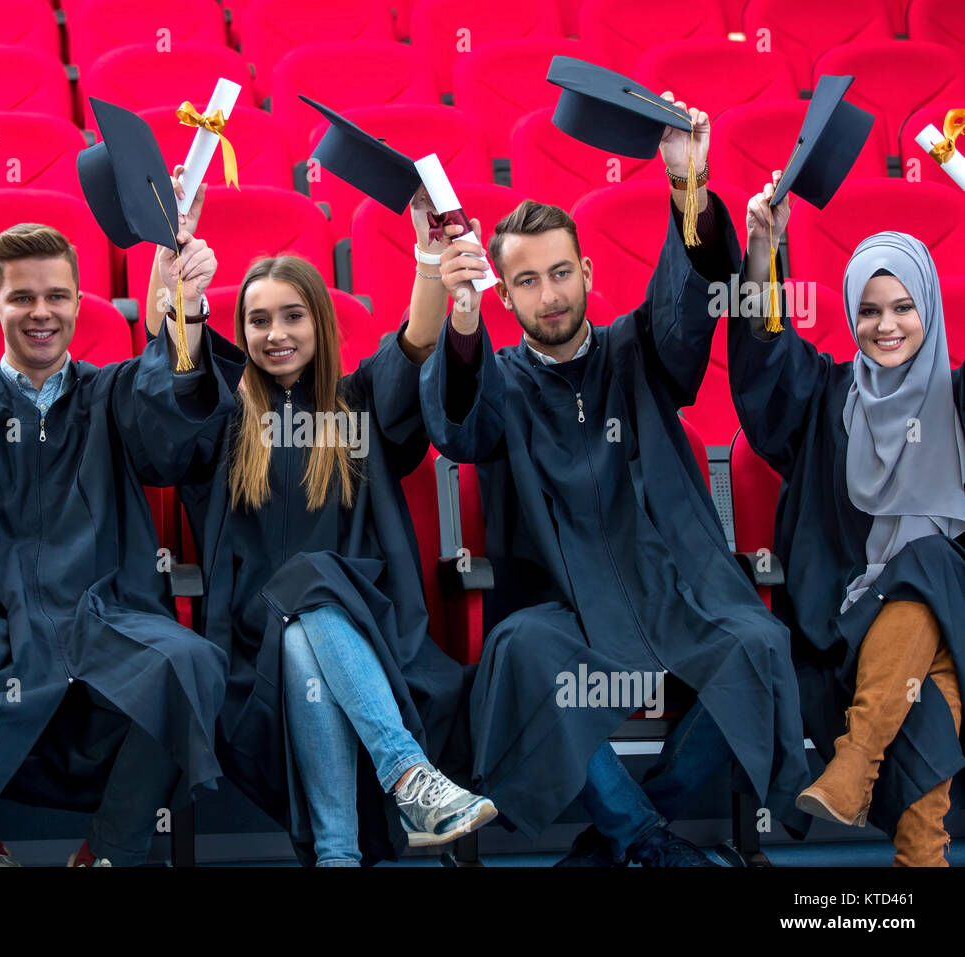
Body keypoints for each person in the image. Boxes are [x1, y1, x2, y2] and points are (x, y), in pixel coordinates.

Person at [418, 93, 811, 866]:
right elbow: (459, 430)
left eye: (562, 272)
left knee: (760, 645)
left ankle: (628, 837)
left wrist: (686, 187)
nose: (552, 294)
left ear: (587, 269)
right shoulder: (498, 381)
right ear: (506, 291)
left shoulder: (639, 353)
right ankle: (650, 842)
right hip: (566, 609)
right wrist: (460, 316)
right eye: (527, 281)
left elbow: (685, 309)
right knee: (519, 651)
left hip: (675, 590)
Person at [0, 219, 243, 867]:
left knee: (189, 662)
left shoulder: (110, 394)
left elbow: (173, 426)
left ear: (80, 304)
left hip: (100, 614)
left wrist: (185, 307)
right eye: (22, 297)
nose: (41, 312)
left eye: (56, 296)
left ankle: (109, 851)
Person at [140, 169, 495, 865]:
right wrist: (169, 264)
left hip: (368, 636)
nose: (275, 333)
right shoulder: (221, 414)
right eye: (259, 319)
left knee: (311, 615)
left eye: (292, 315)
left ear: (320, 322)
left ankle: (338, 853)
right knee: (302, 601)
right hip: (248, 652)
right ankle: (408, 775)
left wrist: (428, 258)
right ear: (238, 329)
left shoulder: (355, 406)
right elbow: (167, 370)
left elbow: (417, 345)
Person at [728, 214, 965, 865]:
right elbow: (765, 356)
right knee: (926, 660)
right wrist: (764, 255)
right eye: (869, 310)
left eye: (903, 307)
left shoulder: (959, 399)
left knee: (930, 563)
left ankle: (856, 762)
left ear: (930, 308)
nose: (886, 326)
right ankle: (923, 855)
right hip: (850, 620)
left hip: (958, 605)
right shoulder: (825, 397)